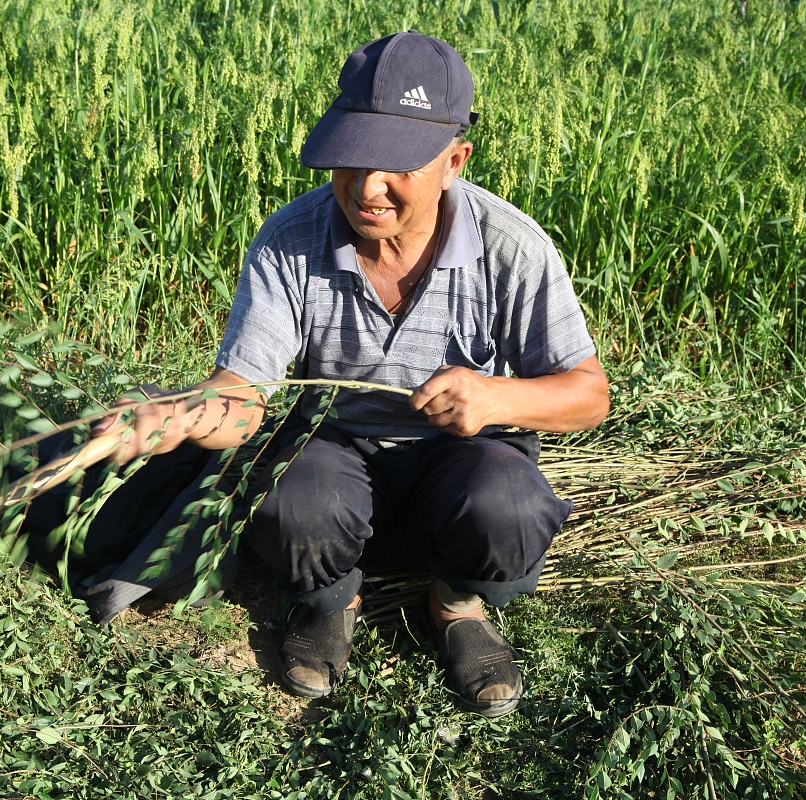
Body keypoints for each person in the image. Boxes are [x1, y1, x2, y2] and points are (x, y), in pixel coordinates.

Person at [38, 30, 608, 718]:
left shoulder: (512, 246)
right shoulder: (292, 239)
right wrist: (179, 417)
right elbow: (243, 396)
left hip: (463, 460)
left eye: (398, 164)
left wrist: (496, 396)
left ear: (455, 160)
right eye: (351, 159)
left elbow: (587, 395)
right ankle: (333, 598)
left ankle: (457, 604)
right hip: (334, 455)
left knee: (509, 506)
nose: (368, 188)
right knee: (288, 497)